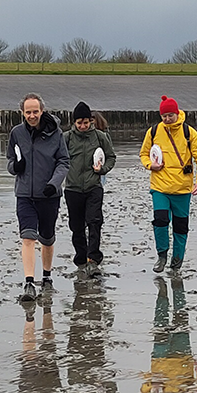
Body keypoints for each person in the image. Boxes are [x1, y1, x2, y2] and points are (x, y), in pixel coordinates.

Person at [6, 93, 69, 302]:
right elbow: (9, 161)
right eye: (28, 112)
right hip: (24, 194)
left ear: (42, 111)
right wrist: (16, 167)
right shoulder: (16, 133)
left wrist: (54, 183)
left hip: (49, 194)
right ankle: (29, 282)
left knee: (47, 238)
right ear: (22, 113)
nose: (32, 116)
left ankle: (47, 276)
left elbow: (63, 162)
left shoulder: (56, 134)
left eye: (35, 111)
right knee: (28, 237)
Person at [139, 95, 197, 273]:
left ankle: (177, 260)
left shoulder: (189, 132)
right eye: (164, 116)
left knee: (180, 226)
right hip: (160, 187)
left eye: (170, 115)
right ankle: (162, 255)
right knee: (160, 220)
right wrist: (150, 165)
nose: (167, 119)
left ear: (177, 113)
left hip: (183, 189)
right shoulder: (153, 131)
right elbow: (144, 154)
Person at [63, 101, 116, 276]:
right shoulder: (67, 138)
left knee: (94, 222)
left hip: (94, 186)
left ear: (91, 121)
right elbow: (58, 159)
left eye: (86, 122)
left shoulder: (100, 137)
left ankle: (93, 259)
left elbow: (111, 157)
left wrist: (102, 170)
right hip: (72, 188)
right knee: (76, 226)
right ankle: (80, 259)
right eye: (79, 123)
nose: (83, 126)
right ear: (74, 123)